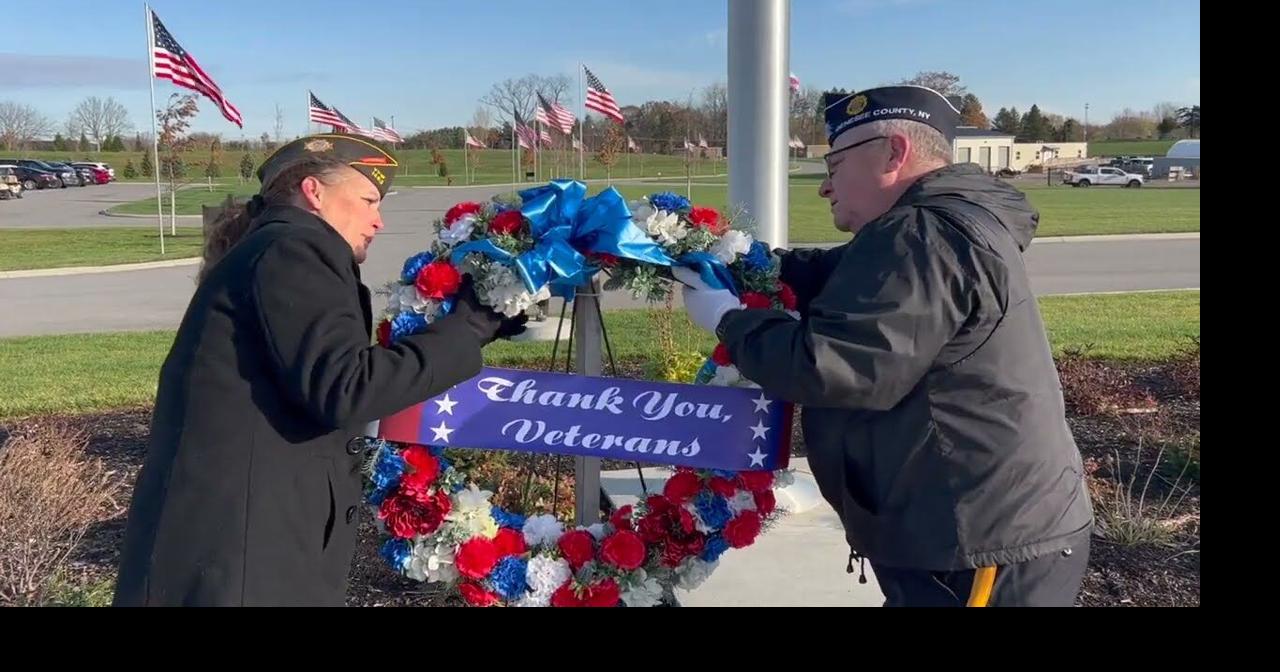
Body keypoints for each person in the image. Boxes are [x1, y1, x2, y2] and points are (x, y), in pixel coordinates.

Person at [676, 86, 1094, 607]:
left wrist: (728, 321)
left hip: (975, 540)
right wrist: (738, 262)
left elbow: (832, 366)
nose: (826, 188)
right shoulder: (931, 224)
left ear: (894, 153)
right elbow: (835, 276)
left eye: (836, 164)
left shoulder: (922, 236)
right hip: (972, 525)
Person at [113, 134, 523, 607]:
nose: (378, 219)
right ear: (314, 191)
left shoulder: (273, 248)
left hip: (235, 548)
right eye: (369, 199)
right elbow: (345, 387)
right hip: (242, 561)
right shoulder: (297, 248)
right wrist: (469, 327)